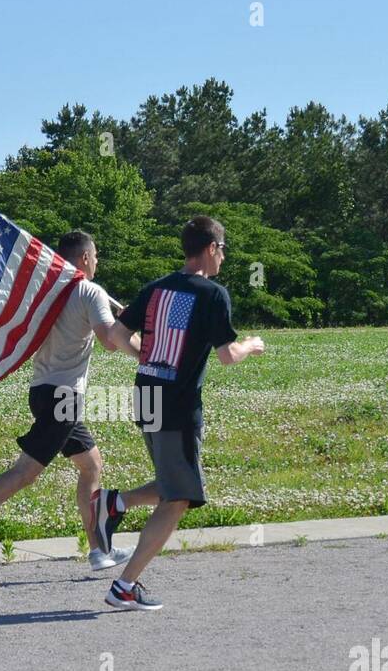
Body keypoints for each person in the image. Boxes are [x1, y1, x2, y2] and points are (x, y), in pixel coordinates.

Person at [0, 230, 139, 572]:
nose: (97, 261)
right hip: (64, 396)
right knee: (25, 472)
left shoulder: (46, 292)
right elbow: (110, 339)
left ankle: (98, 550)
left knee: (91, 466)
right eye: (95, 256)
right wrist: (146, 353)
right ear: (84, 259)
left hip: (43, 391)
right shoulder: (90, 291)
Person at [95, 215, 265, 610]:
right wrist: (252, 345)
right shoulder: (213, 295)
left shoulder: (156, 288)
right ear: (211, 249)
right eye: (222, 250)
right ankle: (124, 586)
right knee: (180, 497)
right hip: (178, 404)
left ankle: (115, 503)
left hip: (147, 397)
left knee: (176, 482)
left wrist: (146, 357)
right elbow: (226, 356)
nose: (223, 258)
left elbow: (115, 336)